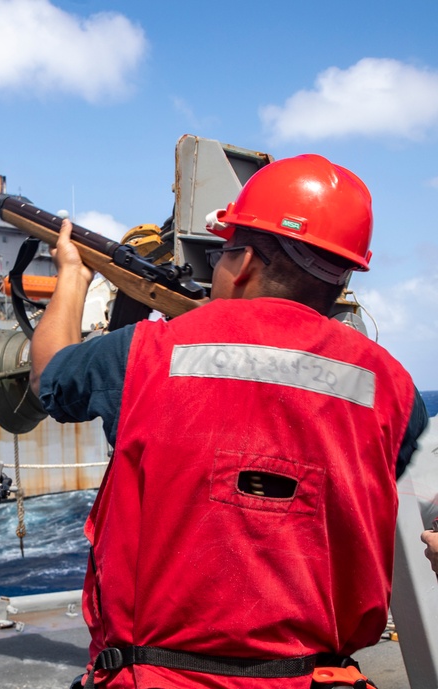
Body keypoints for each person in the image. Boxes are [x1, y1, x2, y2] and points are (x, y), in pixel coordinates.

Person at [30, 154, 429, 688]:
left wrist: (73, 277)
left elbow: (49, 379)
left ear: (241, 264)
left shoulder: (143, 354)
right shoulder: (395, 388)